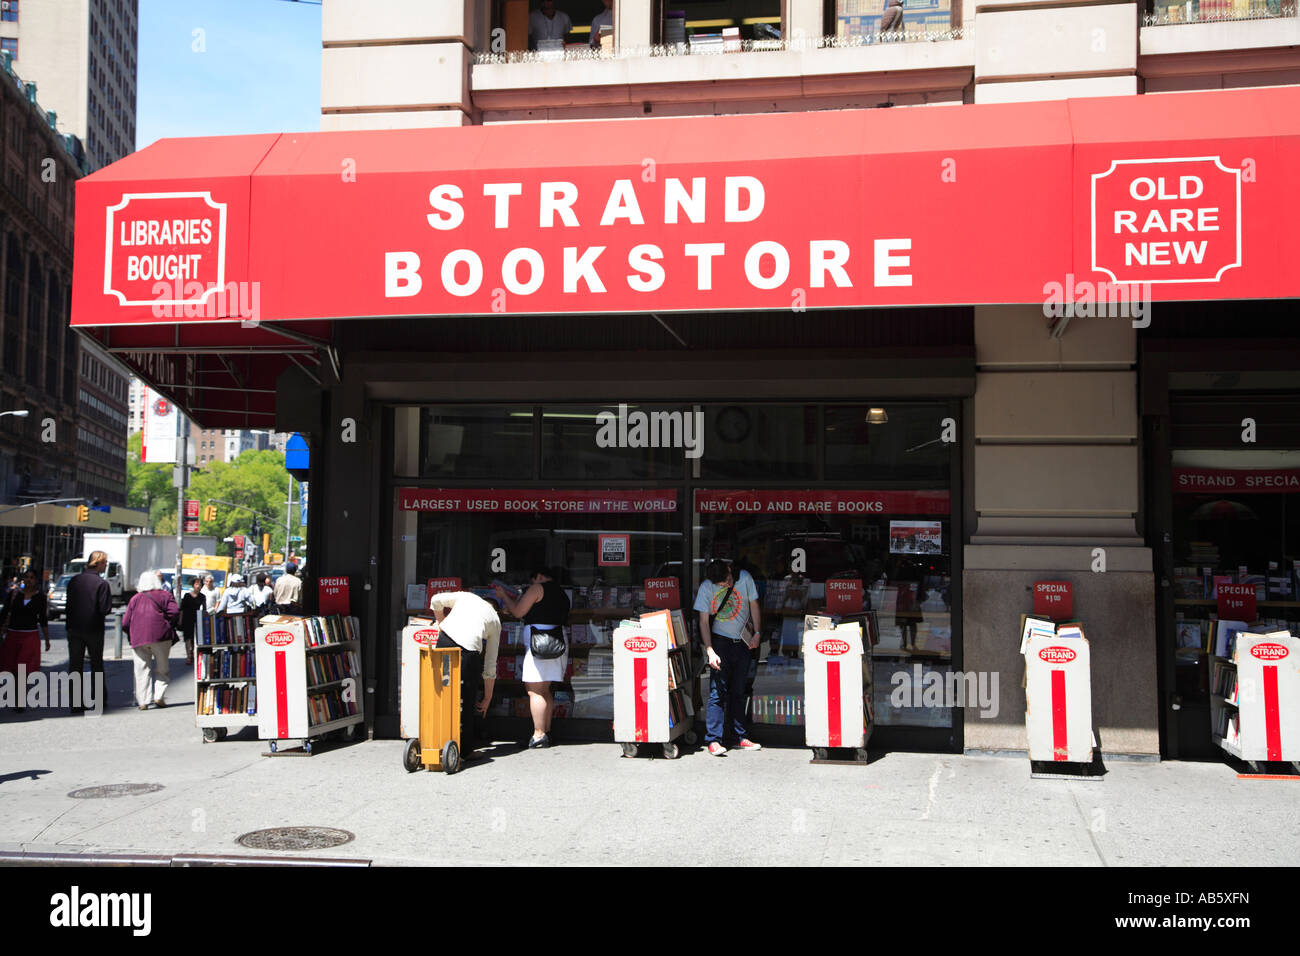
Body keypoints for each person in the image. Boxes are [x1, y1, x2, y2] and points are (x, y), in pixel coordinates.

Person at [495, 568, 570, 749]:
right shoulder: (562, 593)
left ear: (539, 576)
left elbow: (519, 612)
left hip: (539, 642)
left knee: (535, 690)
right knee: (545, 689)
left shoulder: (538, 588)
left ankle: (538, 734)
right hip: (557, 640)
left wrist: (504, 596)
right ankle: (546, 731)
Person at [694, 558, 763, 756]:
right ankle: (713, 740)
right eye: (723, 584)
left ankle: (740, 737)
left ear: (730, 570)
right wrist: (710, 650)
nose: (727, 584)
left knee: (739, 691)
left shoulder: (745, 578)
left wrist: (758, 633)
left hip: (742, 641)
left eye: (728, 580)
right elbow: (703, 622)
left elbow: (754, 605)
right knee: (717, 692)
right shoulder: (707, 588)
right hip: (719, 642)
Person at [429, 590, 501, 758]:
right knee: (466, 699)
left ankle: (436, 740)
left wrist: (441, 623)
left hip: (445, 641)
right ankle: (465, 750)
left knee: (441, 691)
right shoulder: (495, 620)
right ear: (497, 610)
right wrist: (488, 697)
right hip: (468, 651)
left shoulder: (467, 596)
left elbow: (435, 600)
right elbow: (490, 664)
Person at [121, 570, 179, 710]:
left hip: (139, 638)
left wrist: (132, 633)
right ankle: (158, 696)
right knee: (162, 668)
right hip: (161, 636)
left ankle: (143, 701)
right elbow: (175, 612)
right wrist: (167, 624)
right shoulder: (165, 595)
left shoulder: (135, 598)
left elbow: (125, 622)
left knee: (141, 669)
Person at [65, 549, 113, 713]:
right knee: (96, 664)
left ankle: (75, 701)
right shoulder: (101, 584)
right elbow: (105, 609)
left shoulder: (74, 581)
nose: (105, 565)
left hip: (74, 628)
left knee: (75, 665)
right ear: (98, 563)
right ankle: (99, 699)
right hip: (94, 628)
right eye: (104, 563)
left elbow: (68, 605)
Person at [0, 567, 51, 713]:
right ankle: (16, 694)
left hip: (30, 636)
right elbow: (4, 614)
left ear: (36, 580)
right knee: (12, 669)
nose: (29, 580)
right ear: (23, 579)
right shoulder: (14, 594)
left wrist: (47, 640)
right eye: (26, 577)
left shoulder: (40, 598)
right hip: (12, 635)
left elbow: (43, 619)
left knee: (24, 669)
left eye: (32, 577)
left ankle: (20, 699)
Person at [179, 578, 205, 664]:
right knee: (188, 638)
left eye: (200, 584)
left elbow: (204, 609)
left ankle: (194, 654)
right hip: (187, 618)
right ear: (193, 585)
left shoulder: (202, 597)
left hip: (198, 619)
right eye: (197, 584)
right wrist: (180, 620)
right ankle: (188, 656)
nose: (198, 586)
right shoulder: (187, 596)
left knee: (196, 638)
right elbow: (182, 609)